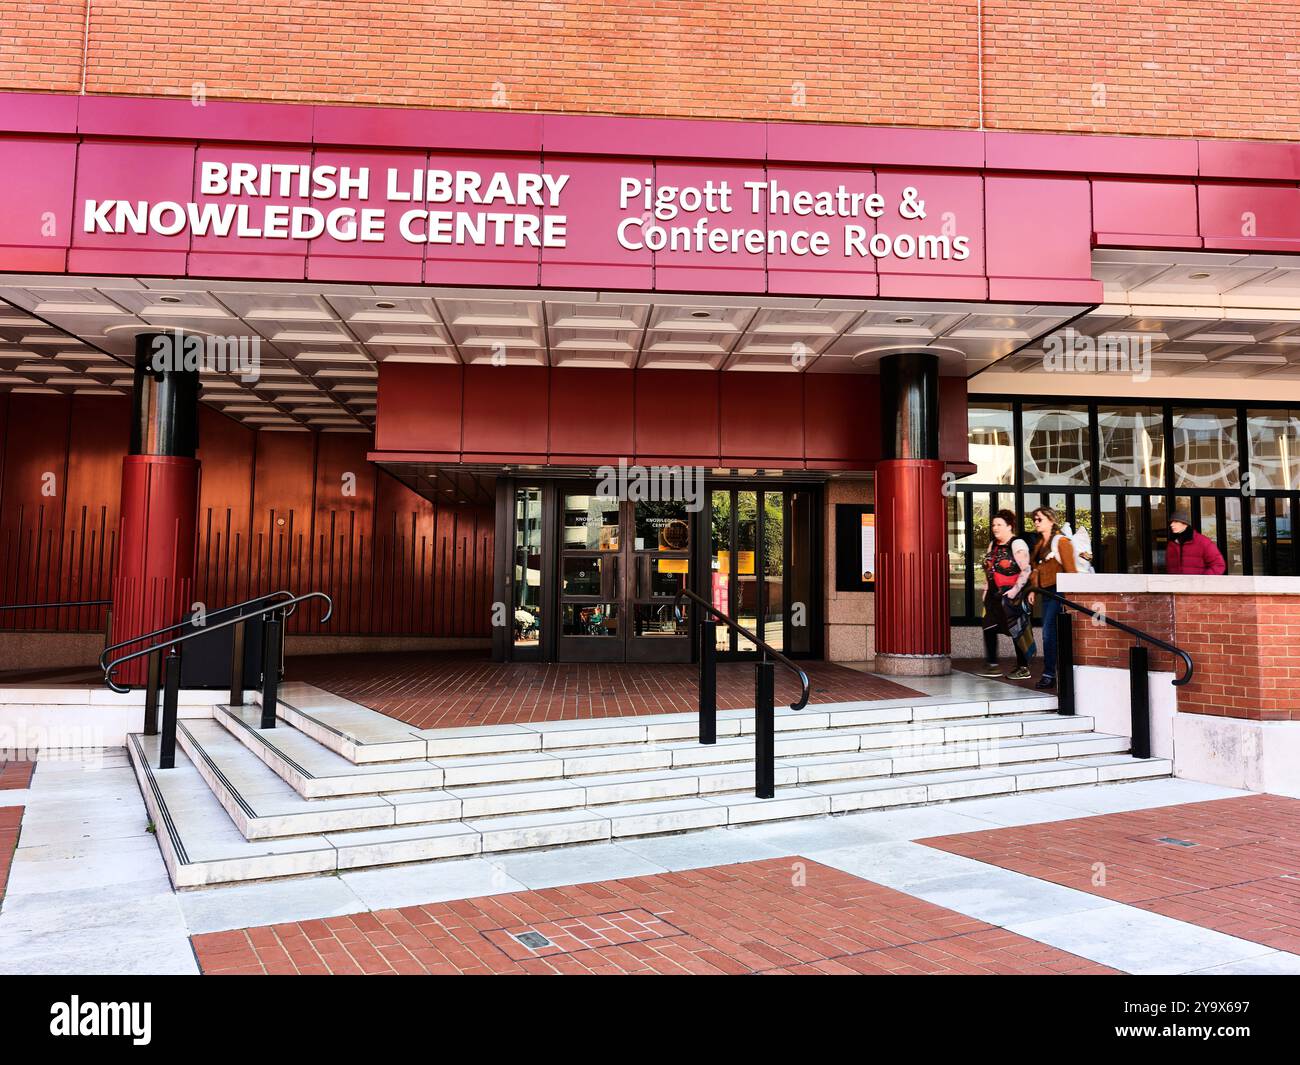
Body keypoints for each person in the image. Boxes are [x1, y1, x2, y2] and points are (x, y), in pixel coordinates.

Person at [977, 510, 1035, 680]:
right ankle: (992, 665)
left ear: (1009, 526)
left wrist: (1015, 591)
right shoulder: (993, 544)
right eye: (994, 524)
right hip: (994, 595)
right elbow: (990, 568)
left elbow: (1026, 570)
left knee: (1016, 629)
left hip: (1012, 594)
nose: (995, 528)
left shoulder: (1017, 544)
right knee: (988, 626)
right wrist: (987, 589)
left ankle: (1023, 667)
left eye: (999, 525)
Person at [1028, 506, 1077, 691]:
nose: (1036, 522)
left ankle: (1050, 674)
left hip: (1059, 591)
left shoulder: (1061, 541)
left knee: (1049, 632)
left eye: (1039, 519)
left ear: (1051, 520)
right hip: (1047, 593)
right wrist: (1033, 590)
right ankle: (1053, 672)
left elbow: (1071, 571)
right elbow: (1036, 570)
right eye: (1034, 519)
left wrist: (1070, 597)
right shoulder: (1040, 543)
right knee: (1050, 633)